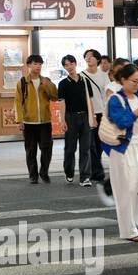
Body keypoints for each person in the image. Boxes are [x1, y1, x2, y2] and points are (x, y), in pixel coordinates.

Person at [101, 64, 138, 241]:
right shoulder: (115, 99)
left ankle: (137, 219)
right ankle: (129, 230)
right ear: (123, 80)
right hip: (122, 146)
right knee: (127, 190)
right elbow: (122, 122)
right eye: (134, 81)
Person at [15, 54, 58, 184]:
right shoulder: (22, 82)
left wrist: (48, 85)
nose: (38, 66)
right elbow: (18, 102)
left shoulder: (46, 80)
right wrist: (20, 120)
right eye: (35, 64)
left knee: (47, 148)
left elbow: (55, 97)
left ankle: (44, 172)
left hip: (45, 121)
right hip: (29, 122)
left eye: (40, 64)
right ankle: (33, 175)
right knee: (31, 150)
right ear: (28, 65)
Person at [56, 54, 93, 185]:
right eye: (66, 65)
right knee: (70, 148)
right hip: (70, 117)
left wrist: (92, 116)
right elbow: (62, 103)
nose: (69, 67)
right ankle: (69, 172)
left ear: (75, 64)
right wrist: (62, 120)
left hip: (85, 116)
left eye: (71, 63)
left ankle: (85, 177)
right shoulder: (63, 84)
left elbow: (90, 101)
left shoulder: (85, 81)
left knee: (85, 147)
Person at [80, 49, 109, 194]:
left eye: (91, 57)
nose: (88, 59)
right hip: (88, 113)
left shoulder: (104, 76)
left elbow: (108, 94)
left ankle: (94, 169)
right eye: (86, 57)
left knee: (99, 144)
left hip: (102, 112)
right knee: (90, 144)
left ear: (97, 60)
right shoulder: (82, 76)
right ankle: (97, 172)